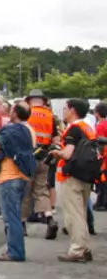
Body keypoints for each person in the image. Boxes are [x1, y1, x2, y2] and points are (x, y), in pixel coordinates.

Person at [0, 102, 37, 262]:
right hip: (23, 175)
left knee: (11, 217)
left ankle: (15, 251)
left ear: (15, 113)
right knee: (15, 214)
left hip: (9, 175)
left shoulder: (10, 130)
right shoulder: (28, 130)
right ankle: (14, 249)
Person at [54, 98, 97, 263]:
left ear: (72, 110)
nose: (63, 111)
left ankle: (77, 249)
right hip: (86, 174)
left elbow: (68, 153)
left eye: (65, 108)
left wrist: (57, 153)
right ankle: (84, 248)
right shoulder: (88, 127)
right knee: (82, 213)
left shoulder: (73, 129)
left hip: (72, 175)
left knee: (74, 215)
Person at [23, 90, 57, 230]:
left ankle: (22, 223)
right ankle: (49, 218)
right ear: (43, 101)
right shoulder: (51, 116)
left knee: (26, 192)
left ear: (30, 101)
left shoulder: (26, 114)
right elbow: (55, 139)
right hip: (44, 157)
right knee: (42, 190)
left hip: (27, 157)